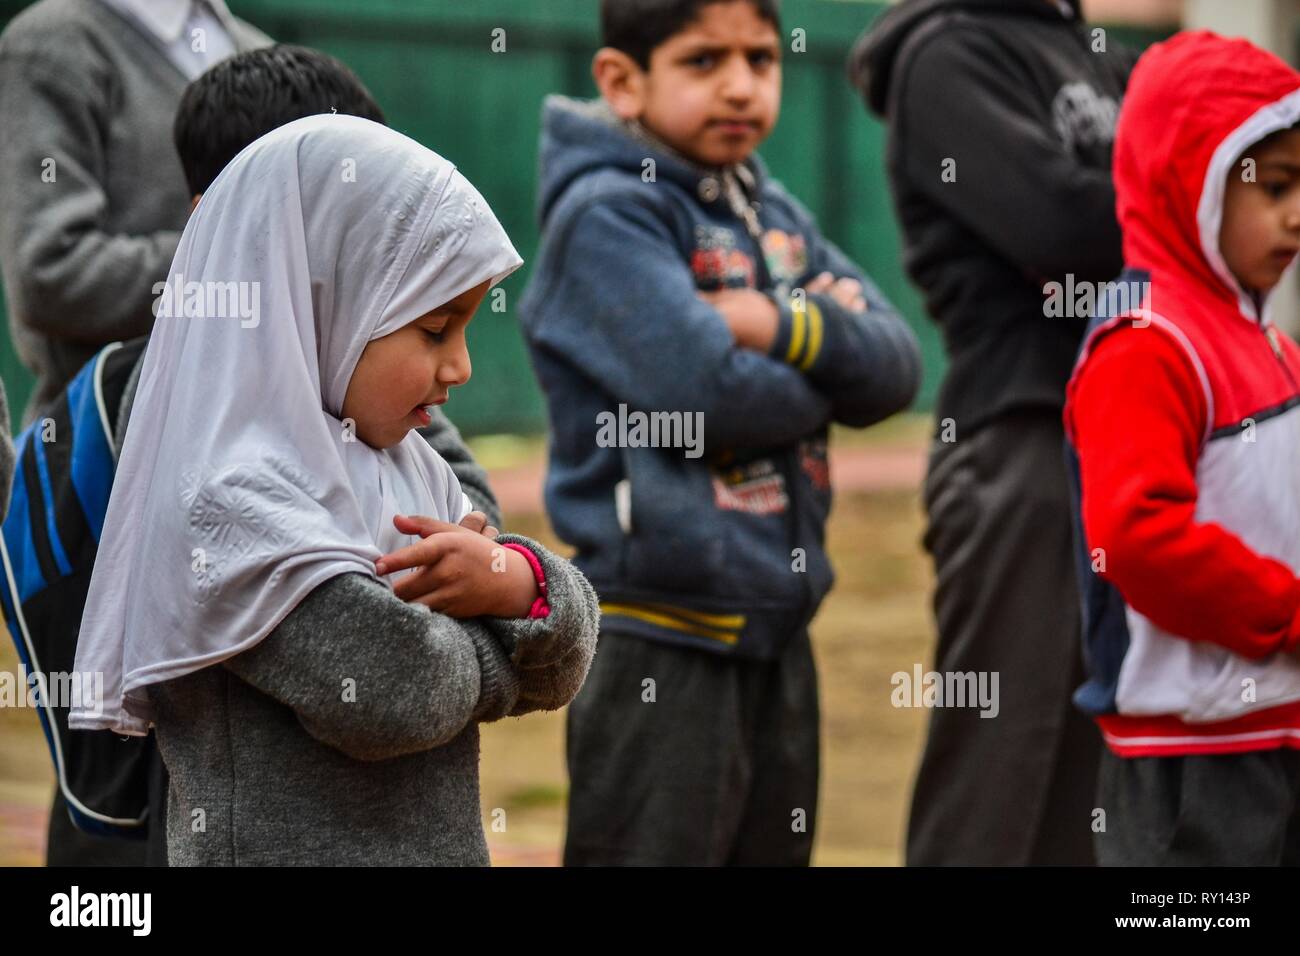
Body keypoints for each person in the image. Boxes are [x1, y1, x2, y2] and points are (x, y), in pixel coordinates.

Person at [67, 114, 600, 865]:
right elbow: (392, 693)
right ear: (322, 304)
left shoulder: (402, 460)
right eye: (436, 329)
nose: (462, 367)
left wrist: (513, 582)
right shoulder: (226, 497)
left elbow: (567, 654)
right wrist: (495, 641)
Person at [519, 0, 920, 865]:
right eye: (704, 61)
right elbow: (705, 396)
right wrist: (824, 368)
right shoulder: (606, 217)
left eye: (762, 59)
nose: (742, 85)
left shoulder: (768, 208)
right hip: (657, 633)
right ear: (623, 82)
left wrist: (772, 324)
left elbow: (895, 369)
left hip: (776, 623)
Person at [848, 0, 1136, 864]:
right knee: (1002, 770)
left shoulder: (1102, 53)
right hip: (1024, 439)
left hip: (1130, 445)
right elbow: (1060, 222)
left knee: (1102, 784)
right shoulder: (946, 54)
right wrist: (1183, 190)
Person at [1065, 31, 1300, 865]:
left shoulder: (1266, 341)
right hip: (1190, 760)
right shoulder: (1148, 348)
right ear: (1186, 181)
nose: (1297, 213)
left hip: (1272, 732)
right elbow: (1138, 537)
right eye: (1273, 186)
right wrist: (1287, 613)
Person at [0, 0, 270, 424]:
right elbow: (50, 272)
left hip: (257, 429)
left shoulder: (257, 50)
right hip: (105, 450)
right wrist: (233, 259)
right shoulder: (49, 44)